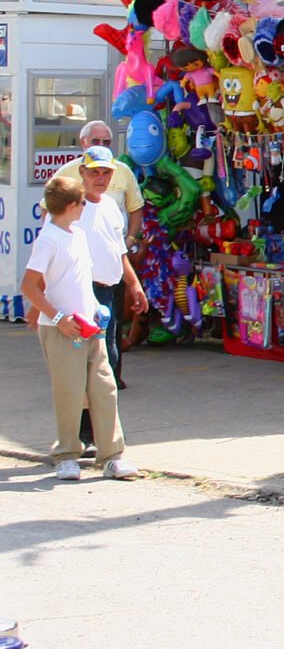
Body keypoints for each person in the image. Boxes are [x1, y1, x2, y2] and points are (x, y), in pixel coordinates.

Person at [20, 174, 139, 481]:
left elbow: (77, 279)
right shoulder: (47, 239)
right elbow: (30, 284)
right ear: (72, 206)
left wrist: (95, 310)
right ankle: (66, 455)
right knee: (70, 393)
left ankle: (111, 455)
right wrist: (56, 317)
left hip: (89, 327)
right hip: (61, 330)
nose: (87, 205)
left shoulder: (77, 235)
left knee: (104, 389)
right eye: (83, 201)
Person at [71, 147, 150, 452]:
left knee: (109, 363)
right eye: (94, 172)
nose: (100, 179)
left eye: (106, 173)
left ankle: (102, 434)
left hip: (107, 292)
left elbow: (119, 252)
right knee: (85, 366)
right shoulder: (72, 208)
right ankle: (84, 434)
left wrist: (135, 286)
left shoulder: (109, 207)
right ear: (82, 173)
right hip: (80, 292)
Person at [52, 120, 146, 244]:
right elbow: (47, 209)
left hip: (116, 245)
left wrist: (130, 240)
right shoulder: (66, 172)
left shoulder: (122, 171)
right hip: (76, 246)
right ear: (83, 142)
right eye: (95, 141)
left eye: (106, 142)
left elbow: (136, 208)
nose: (101, 145)